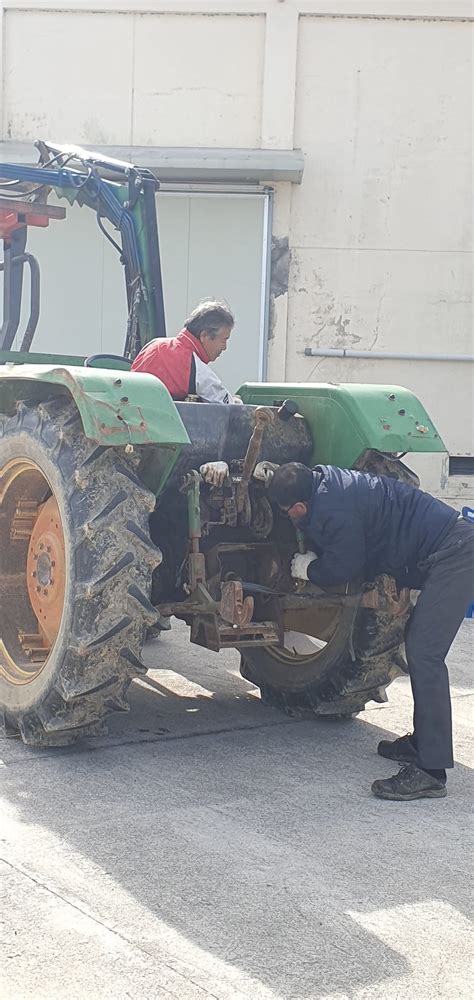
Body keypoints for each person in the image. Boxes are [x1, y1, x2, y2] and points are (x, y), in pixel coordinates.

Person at [267, 462, 474, 801]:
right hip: (449, 549)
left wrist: (309, 567)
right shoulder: (328, 481)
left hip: (456, 556)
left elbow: (345, 566)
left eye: (287, 511)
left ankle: (431, 771)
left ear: (299, 507)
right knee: (420, 646)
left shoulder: (333, 509)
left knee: (425, 652)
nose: (289, 516)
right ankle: (422, 744)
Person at [131, 299, 239, 404]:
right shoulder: (198, 370)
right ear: (204, 336)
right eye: (224, 340)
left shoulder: (153, 345)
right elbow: (230, 407)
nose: (224, 347)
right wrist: (237, 401)